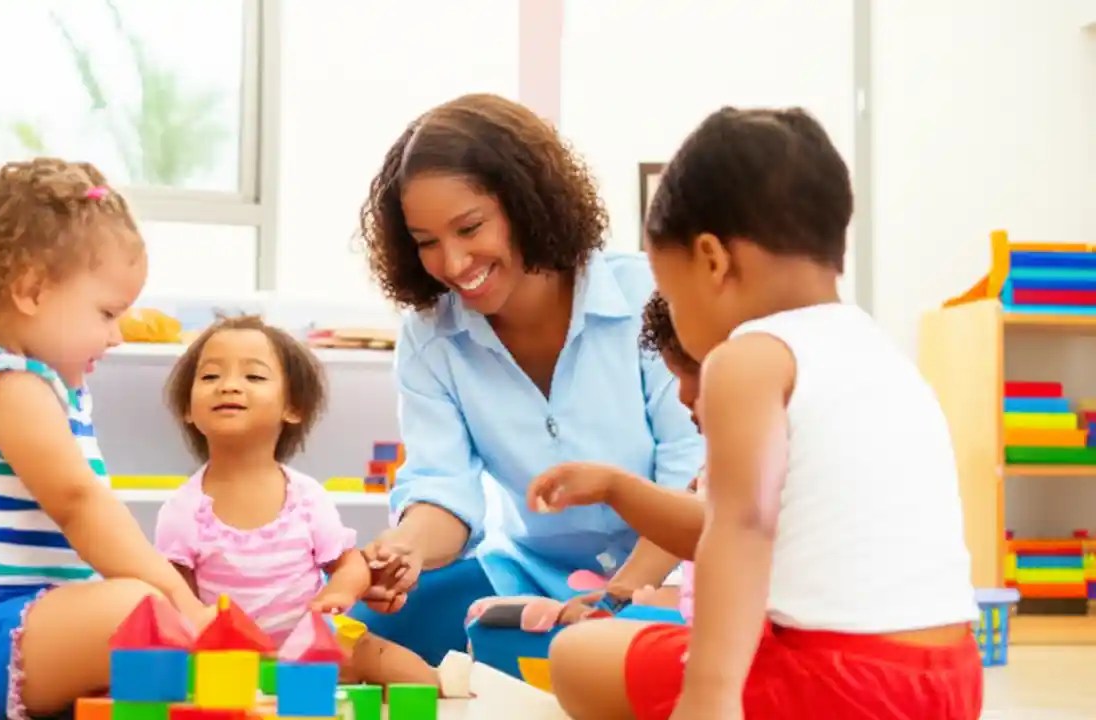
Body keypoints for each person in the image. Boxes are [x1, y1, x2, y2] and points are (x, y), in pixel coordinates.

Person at [529, 107, 982, 720]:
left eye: (671, 291)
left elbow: (741, 526)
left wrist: (709, 696)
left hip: (836, 685)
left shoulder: (746, 359)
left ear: (712, 260)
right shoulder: (882, 355)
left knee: (577, 656)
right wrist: (617, 487)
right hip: (951, 682)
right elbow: (739, 525)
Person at [349, 92, 704, 665]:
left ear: (526, 203)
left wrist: (614, 600)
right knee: (357, 630)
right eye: (427, 242)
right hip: (522, 578)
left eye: (470, 228)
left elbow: (690, 479)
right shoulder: (431, 336)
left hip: (666, 576)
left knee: (616, 657)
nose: (453, 263)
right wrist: (405, 550)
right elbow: (443, 489)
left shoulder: (646, 296)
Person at [0, 158, 213, 720]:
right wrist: (179, 598)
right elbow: (80, 505)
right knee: (142, 606)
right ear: (32, 290)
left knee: (149, 617)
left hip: (6, 625)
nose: (117, 336)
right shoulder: (8, 387)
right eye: (107, 313)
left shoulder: (51, 388)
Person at [154, 315, 446, 690]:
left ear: (292, 407)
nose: (229, 386)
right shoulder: (183, 510)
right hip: (227, 661)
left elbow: (349, 562)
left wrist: (339, 592)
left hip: (315, 645)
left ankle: (450, 684)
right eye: (210, 376)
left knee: (398, 667)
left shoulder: (306, 497)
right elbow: (176, 595)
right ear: (188, 408)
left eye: (253, 376)